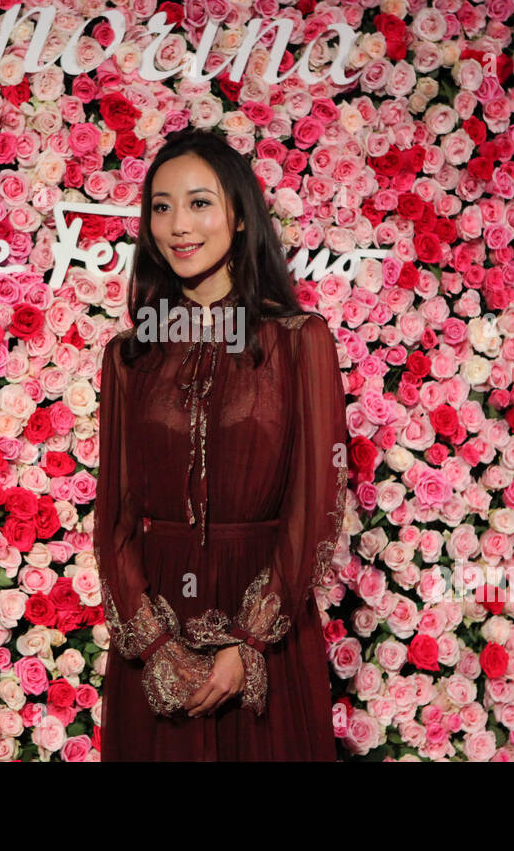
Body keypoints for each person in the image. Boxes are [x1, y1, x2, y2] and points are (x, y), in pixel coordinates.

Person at [91, 128, 351, 761]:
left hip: (266, 625)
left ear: (239, 217)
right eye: (160, 206)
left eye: (200, 202)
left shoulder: (297, 340)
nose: (178, 224)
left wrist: (249, 641)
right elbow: (115, 517)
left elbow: (316, 501)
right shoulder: (130, 355)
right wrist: (154, 648)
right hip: (156, 629)